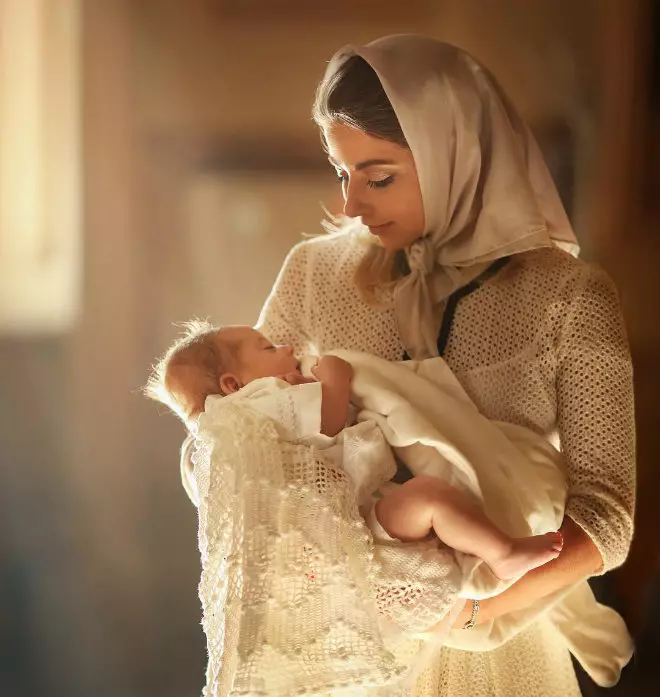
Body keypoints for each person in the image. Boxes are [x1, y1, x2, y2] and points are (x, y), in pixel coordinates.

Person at [255, 34, 636, 696]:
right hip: (352, 645)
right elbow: (250, 443)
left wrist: (475, 609)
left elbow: (608, 516)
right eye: (342, 174)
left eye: (379, 177)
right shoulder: (312, 275)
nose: (351, 205)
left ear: (456, 152)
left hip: (502, 647)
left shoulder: (569, 297)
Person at [148, 321, 564, 584]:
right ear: (233, 386)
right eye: (270, 348)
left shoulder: (213, 450)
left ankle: (499, 555)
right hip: (355, 527)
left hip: (355, 530)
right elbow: (327, 425)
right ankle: (501, 552)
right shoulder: (258, 405)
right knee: (431, 496)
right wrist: (334, 380)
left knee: (430, 500)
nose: (288, 349)